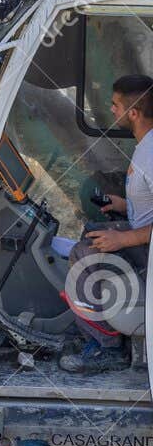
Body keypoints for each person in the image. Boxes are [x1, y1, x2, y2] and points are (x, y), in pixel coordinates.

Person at [62, 74, 153, 373]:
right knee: (91, 233)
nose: (112, 110)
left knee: (84, 256)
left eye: (116, 105)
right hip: (141, 239)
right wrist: (125, 206)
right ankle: (95, 329)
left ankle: (107, 346)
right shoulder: (145, 146)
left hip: (146, 250)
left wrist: (123, 240)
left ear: (134, 113)